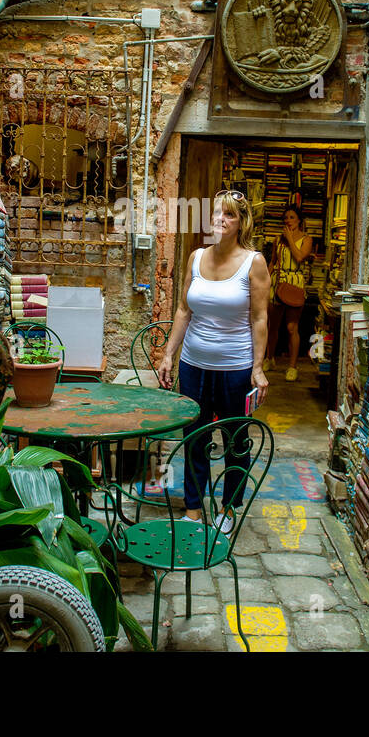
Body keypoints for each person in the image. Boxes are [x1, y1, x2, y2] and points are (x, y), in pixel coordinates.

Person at [157, 190, 270, 532]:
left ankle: (230, 508)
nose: (221, 219)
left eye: (229, 215)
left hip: (235, 369)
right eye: (217, 213)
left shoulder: (254, 262)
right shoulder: (195, 257)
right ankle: (192, 508)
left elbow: (260, 319)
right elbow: (183, 310)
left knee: (236, 440)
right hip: (194, 365)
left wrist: (258, 367)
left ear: (240, 223)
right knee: (194, 436)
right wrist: (168, 354)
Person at [264, 205, 313, 382]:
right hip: (278, 283)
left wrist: (291, 239)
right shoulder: (278, 239)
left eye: (292, 217)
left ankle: (292, 367)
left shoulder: (307, 239)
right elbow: (272, 262)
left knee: (292, 327)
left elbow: (300, 257)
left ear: (299, 220)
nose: (288, 221)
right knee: (273, 325)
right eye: (285, 218)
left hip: (295, 284)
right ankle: (269, 358)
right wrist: (266, 281)